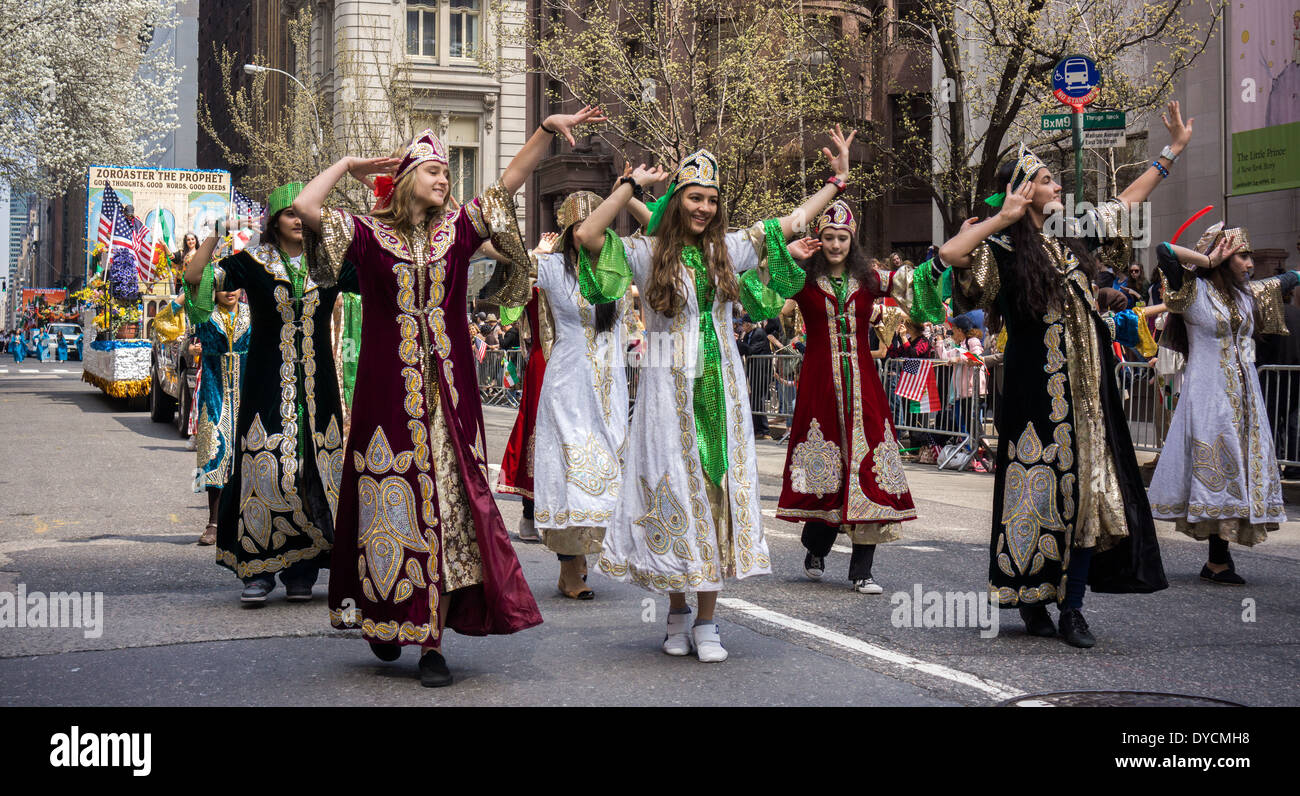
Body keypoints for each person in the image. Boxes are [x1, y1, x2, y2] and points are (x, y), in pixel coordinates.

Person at [296, 109, 599, 687]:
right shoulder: (368, 234)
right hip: (387, 404)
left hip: (449, 404)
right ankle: (388, 618)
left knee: (449, 511)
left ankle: (431, 642)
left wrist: (543, 131)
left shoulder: (455, 231)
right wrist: (346, 165)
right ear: (409, 177)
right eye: (434, 170)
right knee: (389, 506)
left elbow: (506, 183)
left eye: (445, 172)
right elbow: (306, 210)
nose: (444, 180)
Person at [574, 125, 857, 662]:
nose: (703, 207)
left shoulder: (730, 249)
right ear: (677, 201)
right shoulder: (645, 251)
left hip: (723, 392)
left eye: (711, 199)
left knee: (714, 495)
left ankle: (707, 622)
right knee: (676, 492)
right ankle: (676, 613)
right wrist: (627, 186)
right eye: (694, 198)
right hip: (665, 398)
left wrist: (837, 182)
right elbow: (588, 238)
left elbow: (791, 221)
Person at [937, 100, 1191, 648]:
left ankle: (1073, 607)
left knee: (1086, 500)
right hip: (1034, 399)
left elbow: (1126, 202)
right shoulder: (1001, 245)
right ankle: (1032, 600)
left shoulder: (1071, 234)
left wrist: (1171, 152)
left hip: (1089, 399)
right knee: (1038, 495)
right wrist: (1000, 218)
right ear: (1025, 190)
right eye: (1049, 179)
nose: (1058, 185)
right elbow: (950, 255)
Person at [770, 200, 945, 593]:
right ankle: (816, 545)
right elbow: (762, 281)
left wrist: (944, 260)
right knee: (826, 470)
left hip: (864, 386)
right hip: (819, 386)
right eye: (829, 237)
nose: (835, 245)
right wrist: (785, 250)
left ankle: (862, 570)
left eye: (842, 238)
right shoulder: (801, 279)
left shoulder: (869, 278)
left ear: (853, 241)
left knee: (869, 464)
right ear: (819, 239)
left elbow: (914, 282)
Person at [183, 182, 344, 606]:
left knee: (313, 469)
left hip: (318, 385)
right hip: (265, 383)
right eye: (288, 213)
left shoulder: (328, 263)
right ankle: (258, 570)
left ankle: (303, 569)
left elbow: (386, 282)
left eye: (302, 212)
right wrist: (216, 233)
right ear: (273, 221)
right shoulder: (252, 261)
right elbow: (196, 279)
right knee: (264, 466)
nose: (297, 219)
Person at [1148, 225, 1296, 584]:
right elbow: (1165, 250)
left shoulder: (1249, 294)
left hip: (1246, 397)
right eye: (1242, 256)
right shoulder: (1192, 290)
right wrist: (1208, 259)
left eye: (1249, 256)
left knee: (1239, 471)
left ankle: (1218, 561)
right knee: (1217, 469)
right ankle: (1216, 560)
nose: (1250, 264)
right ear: (1224, 259)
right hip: (1209, 395)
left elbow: (1290, 278)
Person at [183, 280, 250, 547]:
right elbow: (190, 290)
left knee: (249, 455)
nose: (230, 291)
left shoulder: (252, 314)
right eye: (223, 287)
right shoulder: (205, 315)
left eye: (235, 285)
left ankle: (248, 520)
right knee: (213, 454)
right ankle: (214, 522)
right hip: (215, 395)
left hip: (248, 394)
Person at [736, 314, 773, 439]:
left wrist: (738, 342)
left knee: (759, 398)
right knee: (754, 399)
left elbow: (751, 350)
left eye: (744, 324)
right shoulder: (747, 335)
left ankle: (765, 430)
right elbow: (743, 350)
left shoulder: (759, 333)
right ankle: (758, 429)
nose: (742, 327)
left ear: (748, 324)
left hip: (762, 371)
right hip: (753, 371)